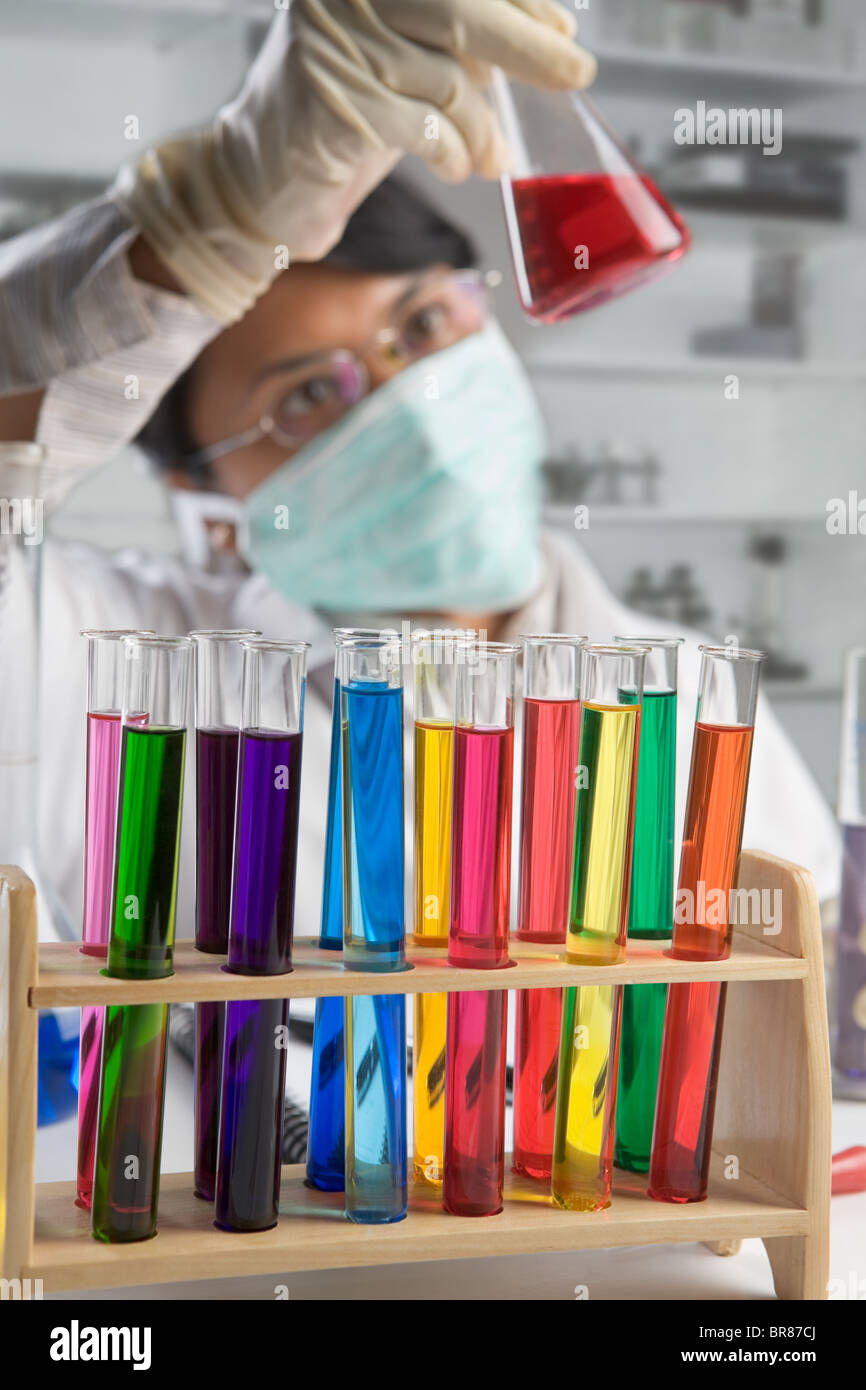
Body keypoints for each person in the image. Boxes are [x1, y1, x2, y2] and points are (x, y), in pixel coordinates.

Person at [0, 2, 839, 949]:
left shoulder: (696, 703)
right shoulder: (109, 673)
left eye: (426, 326)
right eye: (311, 393)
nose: (414, 404)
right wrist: (200, 230)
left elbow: (810, 1051)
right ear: (202, 492)